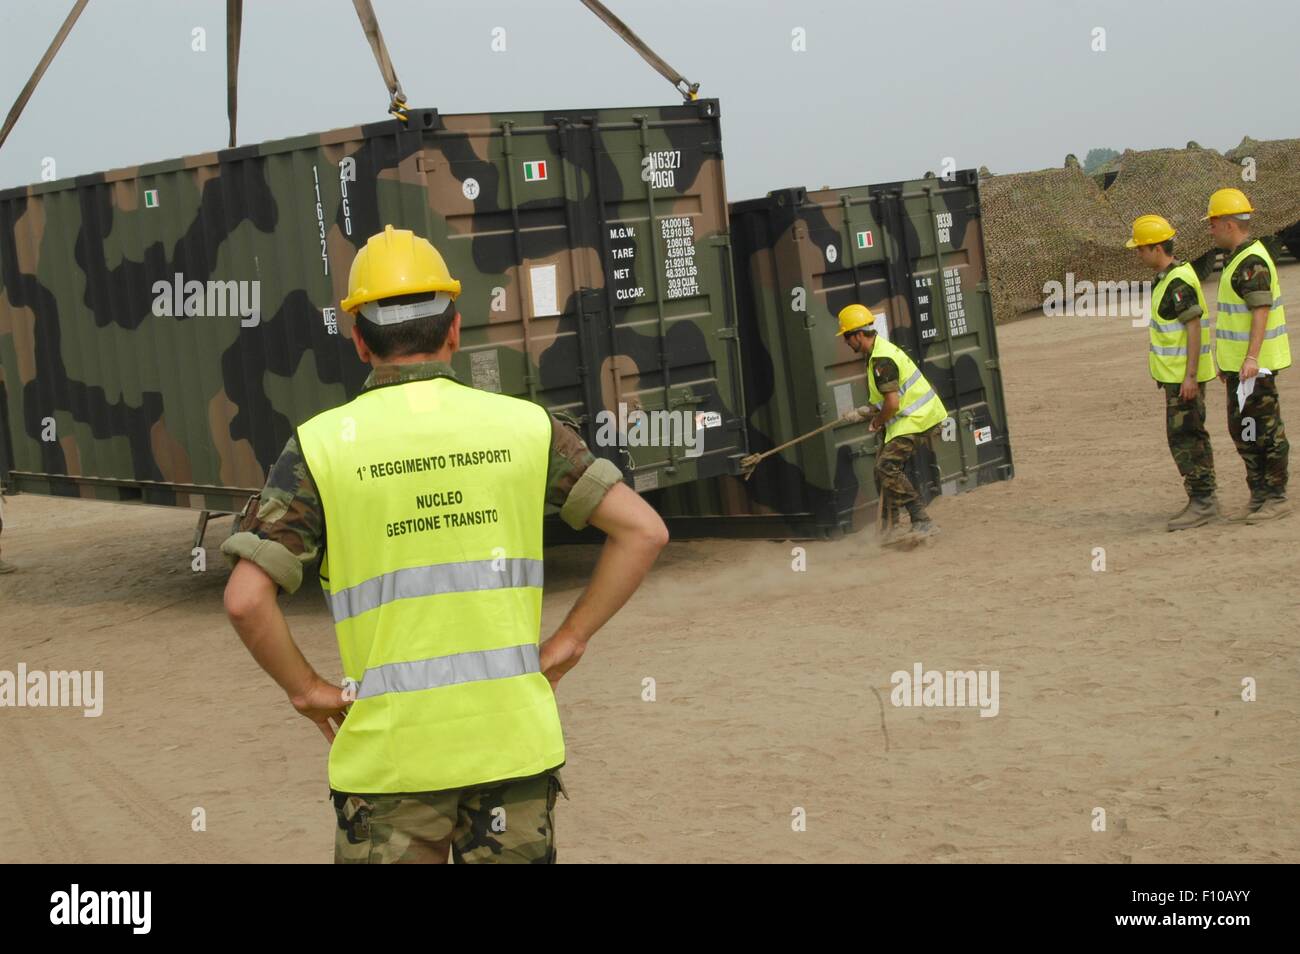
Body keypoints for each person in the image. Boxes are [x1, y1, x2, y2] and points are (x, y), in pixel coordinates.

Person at [221, 225, 668, 863]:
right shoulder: (526, 427)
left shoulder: (318, 448)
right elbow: (644, 531)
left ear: (358, 340)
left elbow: (245, 600)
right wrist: (569, 641)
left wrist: (306, 690)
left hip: (388, 765)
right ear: (455, 329)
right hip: (512, 748)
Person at [1126, 214, 1218, 529]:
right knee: (1186, 436)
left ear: (1156, 248)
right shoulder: (1168, 278)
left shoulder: (1178, 282)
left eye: (1141, 248)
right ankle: (1201, 499)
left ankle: (1203, 502)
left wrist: (1190, 377)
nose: (1138, 254)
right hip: (1176, 379)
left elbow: (1194, 329)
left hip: (1183, 380)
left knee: (1187, 438)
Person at [1206, 188, 1291, 522]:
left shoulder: (1252, 262)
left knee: (1266, 431)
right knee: (1244, 429)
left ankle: (1276, 496)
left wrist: (1252, 358)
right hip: (1239, 370)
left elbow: (1261, 310)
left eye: (1212, 223)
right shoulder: (1239, 259)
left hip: (1257, 369)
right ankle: (1259, 493)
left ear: (1228, 224)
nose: (1210, 229)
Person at [837, 303, 948, 547]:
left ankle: (922, 520)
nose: (846, 343)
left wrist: (876, 421)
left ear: (857, 334)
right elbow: (885, 400)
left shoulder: (881, 360)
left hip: (919, 418)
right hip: (910, 418)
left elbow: (893, 403)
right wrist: (861, 413)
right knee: (882, 470)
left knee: (887, 467)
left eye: (846, 337)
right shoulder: (876, 355)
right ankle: (890, 527)